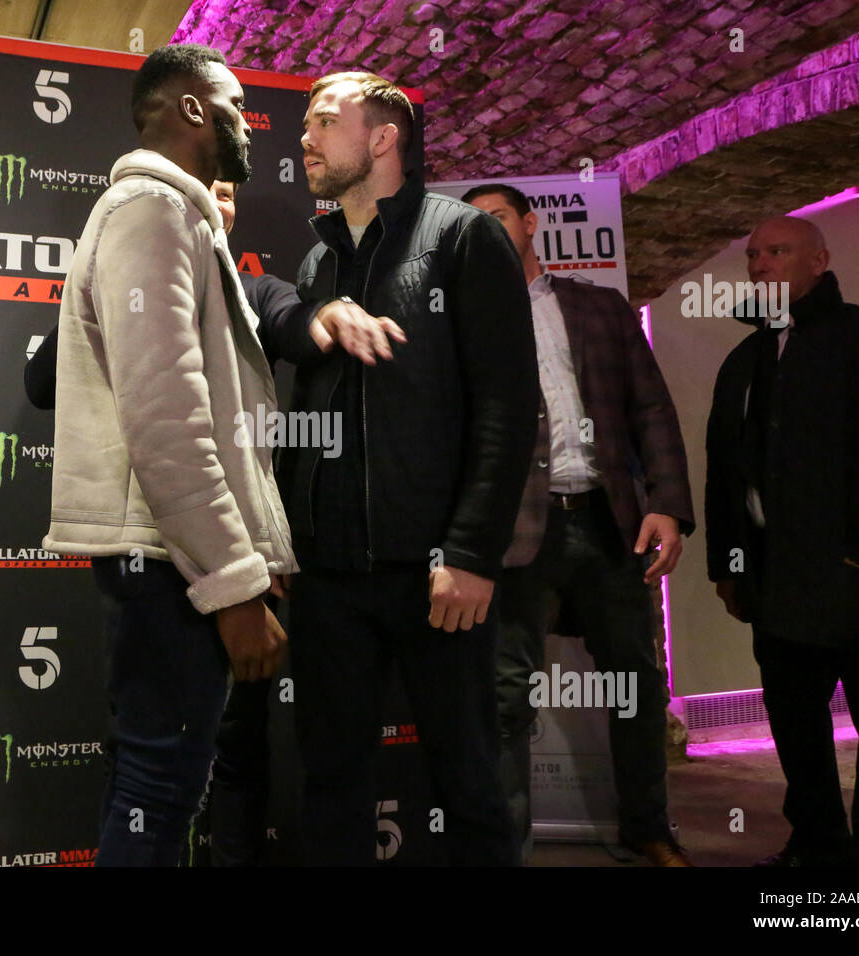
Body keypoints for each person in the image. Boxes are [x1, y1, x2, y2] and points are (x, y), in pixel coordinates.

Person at [256, 71, 539, 866]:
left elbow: (508, 408)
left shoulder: (462, 237)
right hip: (328, 576)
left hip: (437, 576)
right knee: (331, 782)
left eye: (322, 122)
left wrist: (474, 554)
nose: (303, 139)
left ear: (382, 138)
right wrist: (290, 539)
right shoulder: (316, 265)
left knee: (470, 781)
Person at [41, 44, 293, 867]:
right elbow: (167, 421)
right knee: (160, 786)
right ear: (192, 108)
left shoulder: (165, 213)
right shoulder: (152, 211)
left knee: (152, 782)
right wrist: (231, 582)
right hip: (171, 560)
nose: (247, 120)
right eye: (236, 101)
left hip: (167, 553)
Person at [464, 183, 695, 867]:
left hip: (607, 522)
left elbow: (650, 409)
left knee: (636, 685)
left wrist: (669, 505)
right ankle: (507, 851)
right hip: (512, 533)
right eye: (473, 225)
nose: (487, 231)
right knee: (507, 697)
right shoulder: (460, 319)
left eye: (498, 217)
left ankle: (647, 826)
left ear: (531, 224)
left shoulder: (600, 307)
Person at [705, 215, 859, 867]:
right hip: (777, 590)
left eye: (777, 252)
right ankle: (818, 842)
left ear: (819, 260)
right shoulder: (745, 359)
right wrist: (728, 566)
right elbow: (726, 470)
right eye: (753, 255)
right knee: (796, 729)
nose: (760, 265)